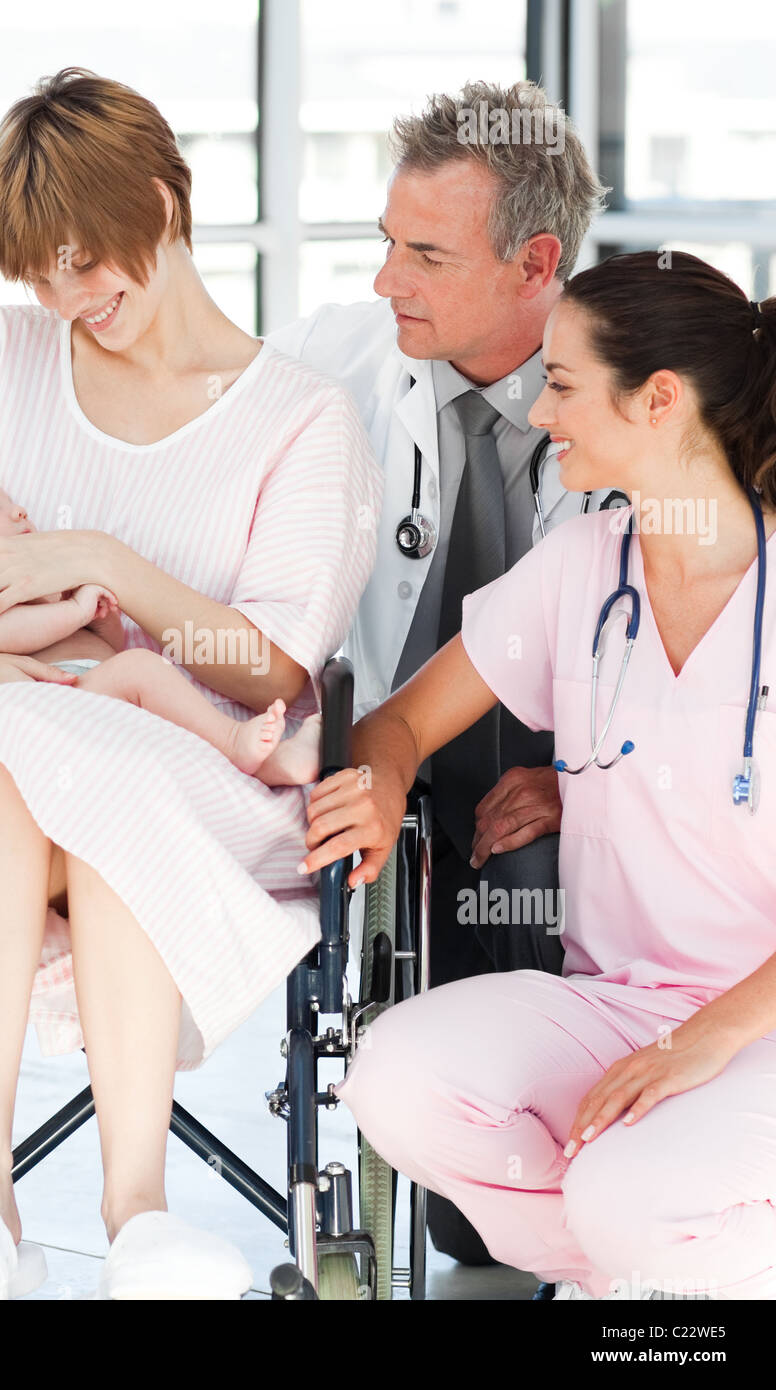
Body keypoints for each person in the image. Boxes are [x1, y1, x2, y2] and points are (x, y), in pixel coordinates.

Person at [0, 67, 381, 1300]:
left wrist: (105, 562)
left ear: (167, 199)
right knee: (19, 745)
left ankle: (127, 1214)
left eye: (87, 259)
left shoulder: (300, 420)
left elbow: (273, 665)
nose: (71, 298)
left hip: (198, 772)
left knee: (76, 762)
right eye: (42, 273)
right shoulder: (4, 359)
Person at [300, 250, 776, 1299]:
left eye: (560, 383)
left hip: (759, 1021)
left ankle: (664, 1254)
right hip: (615, 1002)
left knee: (625, 1196)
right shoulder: (581, 569)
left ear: (658, 400)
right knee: (398, 1081)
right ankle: (639, 1261)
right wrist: (378, 781)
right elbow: (402, 720)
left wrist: (701, 1046)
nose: (538, 406)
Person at [268, 78, 613, 1267]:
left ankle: (622, 1193)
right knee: (466, 1230)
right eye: (383, 244)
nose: (384, 282)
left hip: (560, 797)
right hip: (394, 775)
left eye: (422, 253)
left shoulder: (641, 387)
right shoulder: (329, 363)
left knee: (546, 867)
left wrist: (584, 780)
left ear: (535, 265)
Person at [0, 469, 324, 785]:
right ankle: (235, 743)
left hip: (89, 697)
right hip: (55, 711)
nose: (19, 512)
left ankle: (253, 760)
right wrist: (76, 610)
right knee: (141, 669)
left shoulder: (35, 589)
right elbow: (2, 638)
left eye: (12, 503)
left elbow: (97, 646)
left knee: (138, 674)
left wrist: (102, 619)